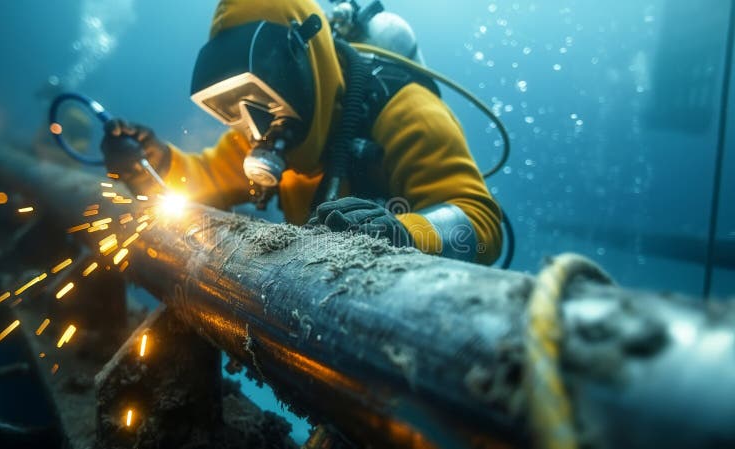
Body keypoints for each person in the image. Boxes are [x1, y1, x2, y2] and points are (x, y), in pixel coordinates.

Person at [101, 0, 502, 265]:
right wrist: (157, 163)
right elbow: (206, 177)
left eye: (261, 97)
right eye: (233, 104)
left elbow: (480, 223)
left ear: (306, 69)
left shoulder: (408, 112)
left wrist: (403, 234)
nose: (254, 125)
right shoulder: (259, 133)